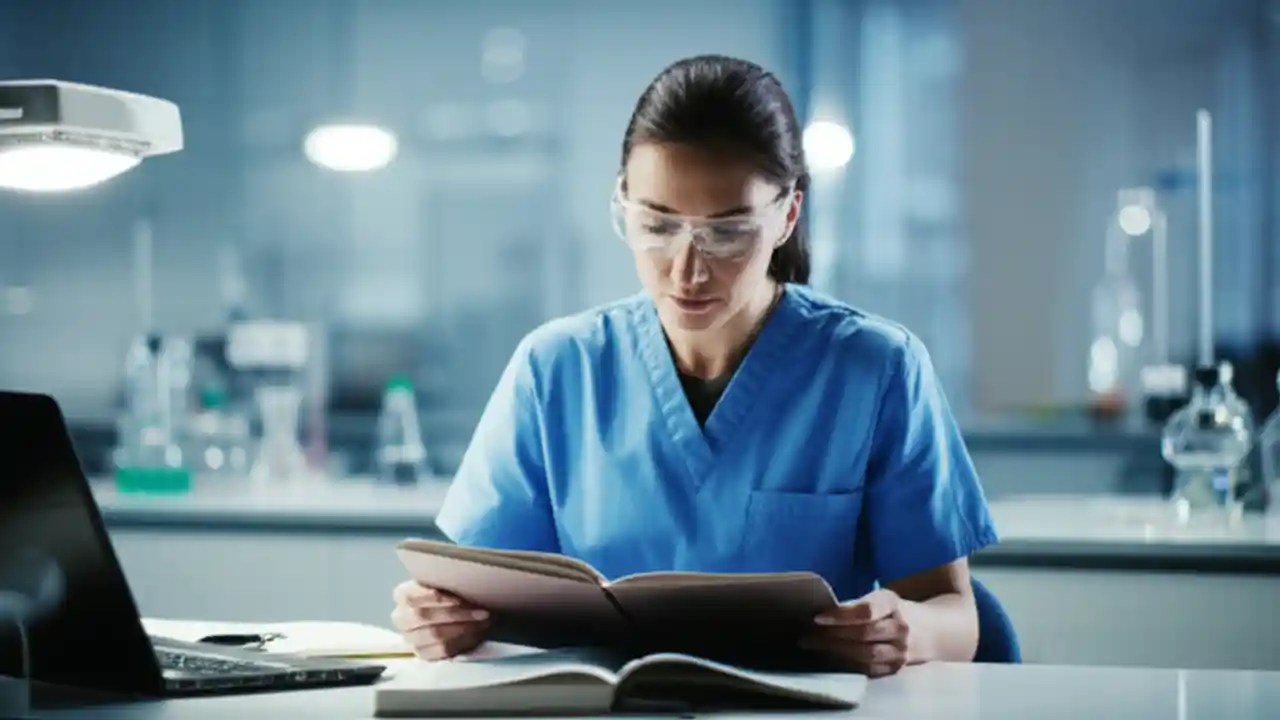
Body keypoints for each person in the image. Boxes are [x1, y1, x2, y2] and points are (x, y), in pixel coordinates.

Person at [391, 54, 998, 678]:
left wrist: (906, 631)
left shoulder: (874, 369)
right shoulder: (556, 370)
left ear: (788, 214)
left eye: (727, 232)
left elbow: (954, 614)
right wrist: (442, 619)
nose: (686, 270)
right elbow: (482, 599)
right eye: (656, 225)